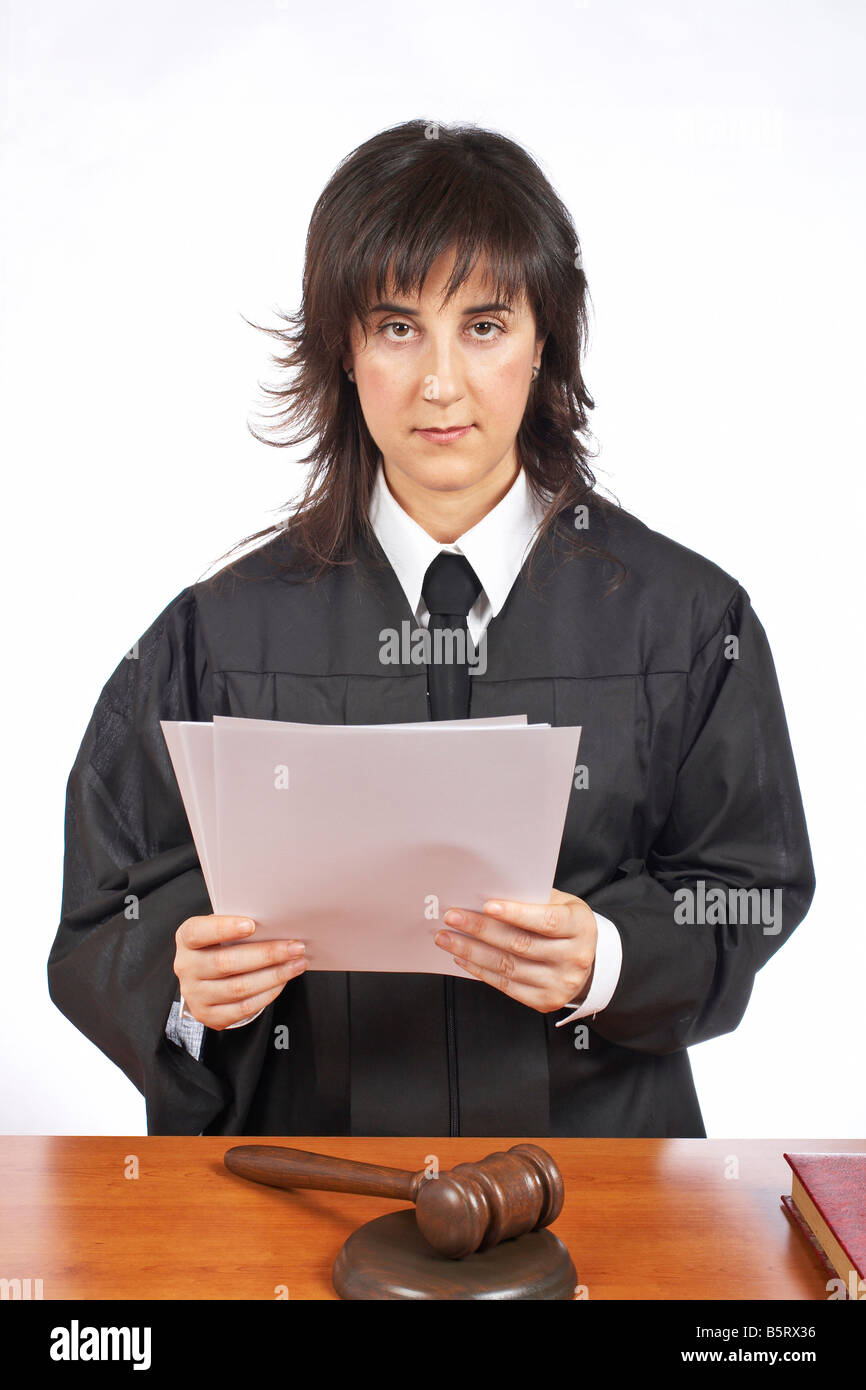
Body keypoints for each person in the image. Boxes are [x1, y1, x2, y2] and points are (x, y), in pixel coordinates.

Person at [48, 119, 815, 1138]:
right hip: (303, 1187)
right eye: (397, 327)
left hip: (600, 1189)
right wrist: (183, 985)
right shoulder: (218, 635)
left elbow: (749, 883)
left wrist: (612, 957)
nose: (439, 383)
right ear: (345, 348)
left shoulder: (683, 619)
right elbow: (103, 919)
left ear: (546, 339)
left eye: (484, 325)